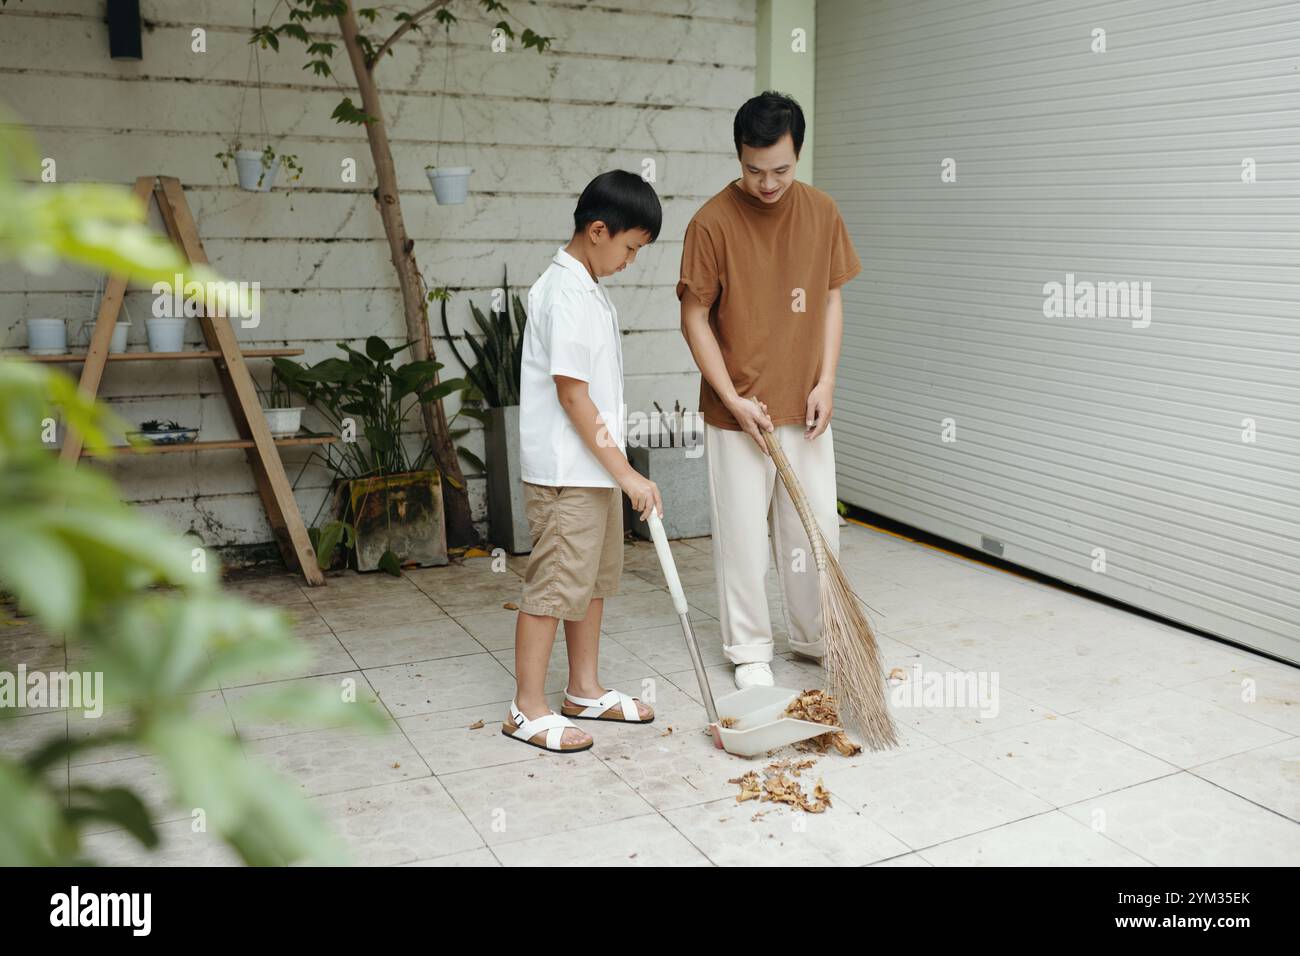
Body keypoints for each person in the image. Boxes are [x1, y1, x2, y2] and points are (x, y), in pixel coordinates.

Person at [678, 91, 862, 690]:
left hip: (805, 402)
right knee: (741, 537)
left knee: (815, 531)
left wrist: (827, 379)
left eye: (781, 170)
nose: (767, 183)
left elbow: (832, 297)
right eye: (754, 169)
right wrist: (730, 396)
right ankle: (750, 647)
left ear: (798, 154)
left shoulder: (823, 212)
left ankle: (815, 638)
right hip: (739, 413)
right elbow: (694, 316)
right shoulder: (710, 222)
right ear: (739, 156)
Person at [505, 170, 665, 752]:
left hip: (592, 472)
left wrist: (615, 473)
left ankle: (584, 690)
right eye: (630, 247)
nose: (631, 260)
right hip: (565, 476)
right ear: (598, 231)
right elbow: (573, 395)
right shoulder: (566, 292)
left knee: (590, 583)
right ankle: (526, 707)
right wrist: (627, 473)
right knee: (553, 587)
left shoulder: (588, 287)